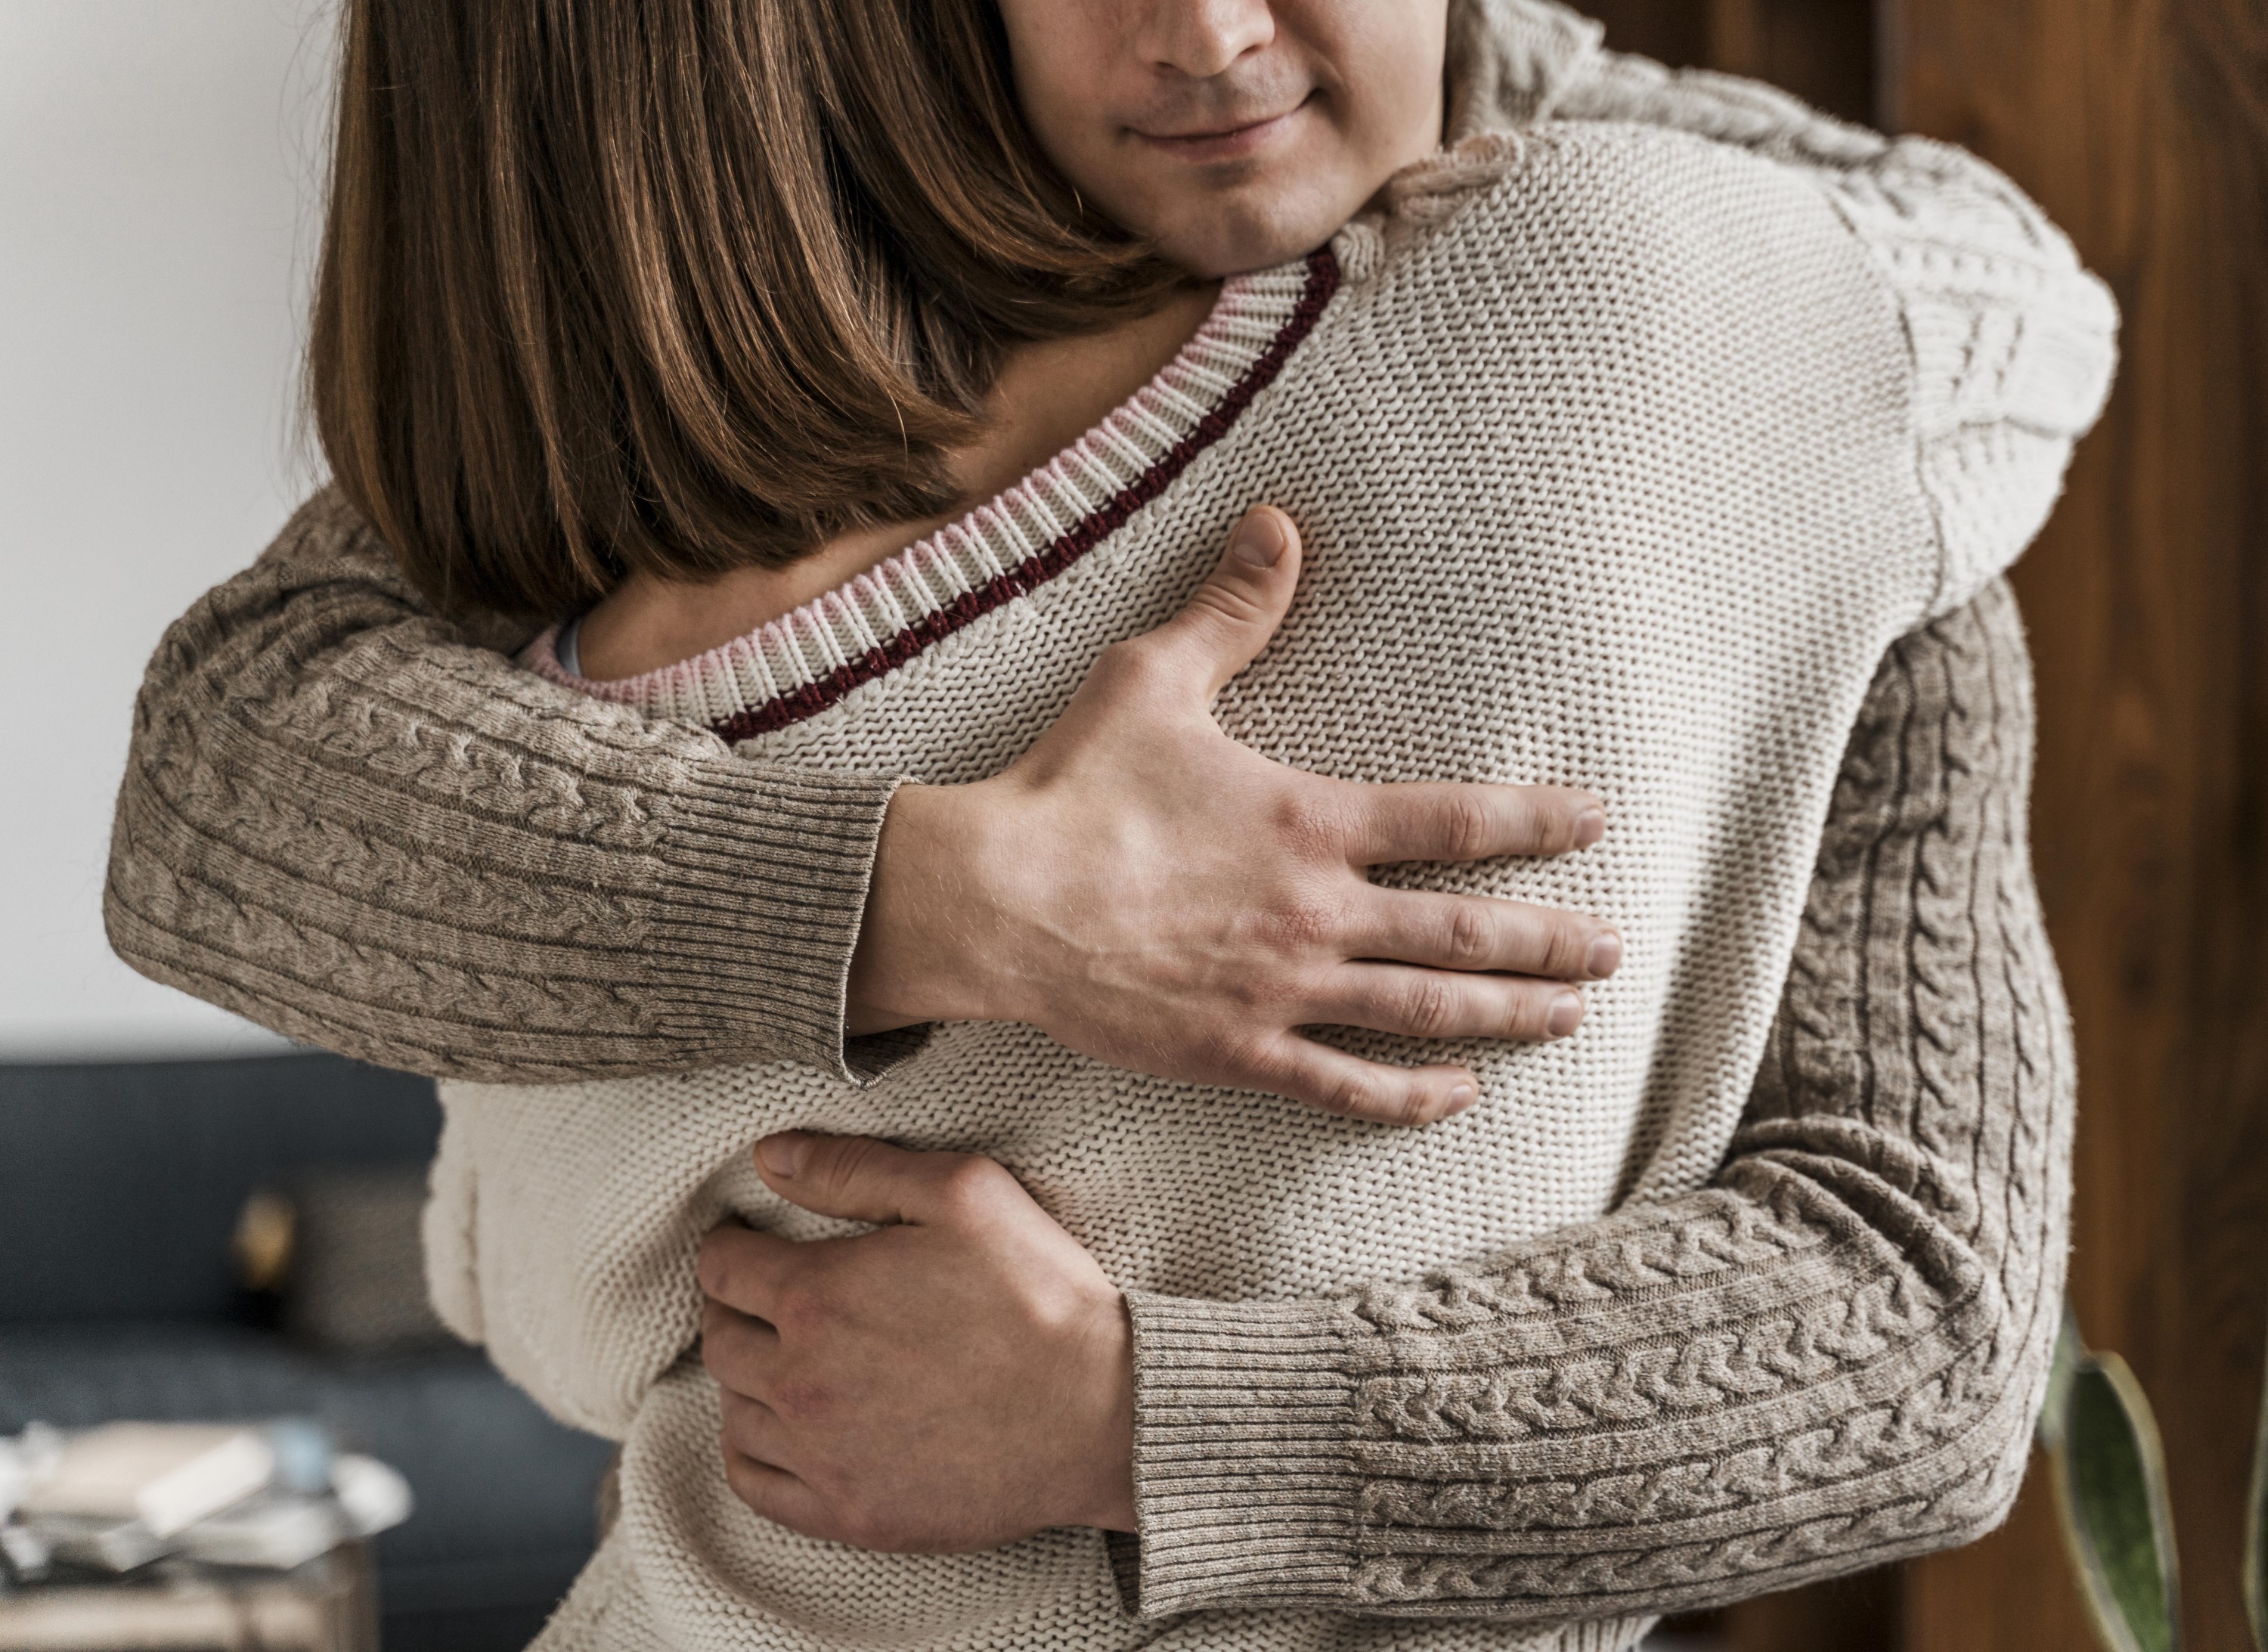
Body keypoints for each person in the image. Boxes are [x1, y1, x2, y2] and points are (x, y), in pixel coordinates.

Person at [104, 1, 2118, 1648]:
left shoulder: (1801, 440)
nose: (1213, 39)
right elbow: (217, 777)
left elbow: (1921, 1338)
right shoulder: (754, 433)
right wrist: (963, 897)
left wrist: (1137, 1417)